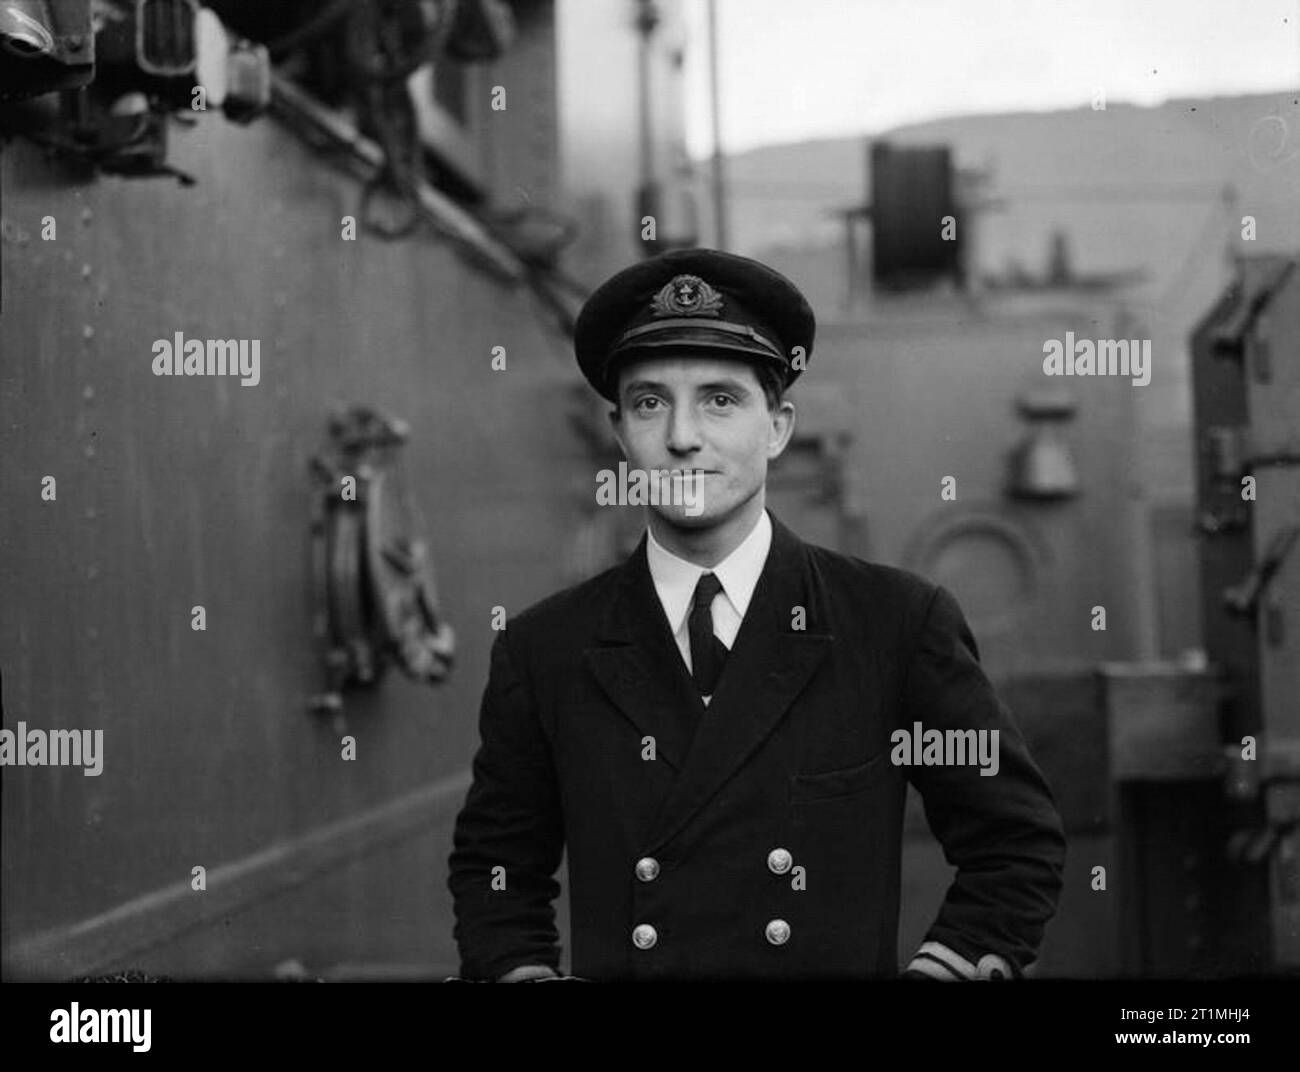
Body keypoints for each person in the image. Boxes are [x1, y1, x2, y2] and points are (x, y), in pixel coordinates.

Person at [446, 248, 1066, 981]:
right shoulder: (544, 649)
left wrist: (943, 971)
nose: (682, 436)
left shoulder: (894, 624)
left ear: (777, 426)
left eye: (720, 400)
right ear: (619, 434)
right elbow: (497, 869)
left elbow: (1014, 843)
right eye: (650, 403)